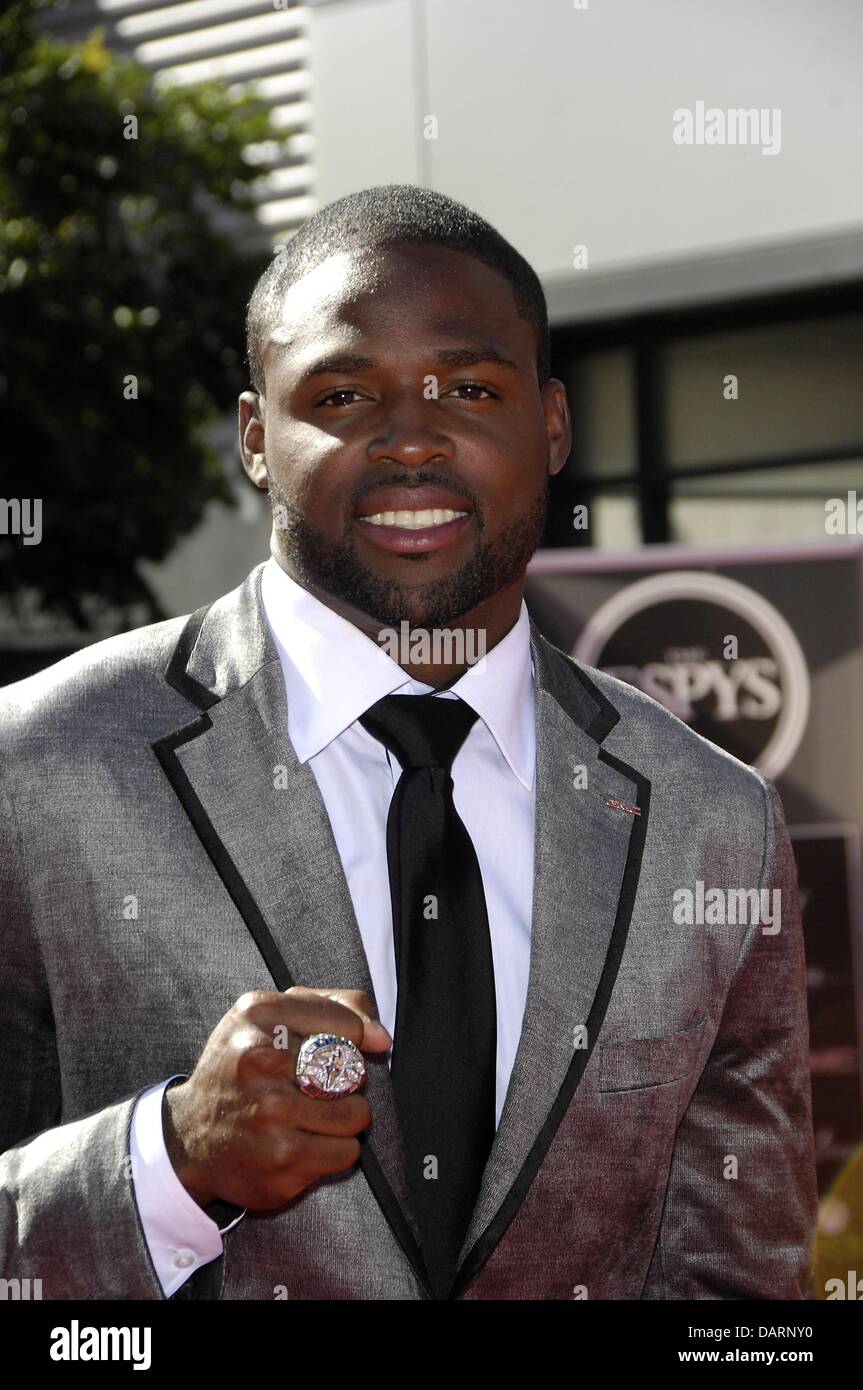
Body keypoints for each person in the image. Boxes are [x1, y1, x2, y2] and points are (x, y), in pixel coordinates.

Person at [0, 185, 817, 1300]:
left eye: (471, 388)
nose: (412, 439)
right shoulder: (38, 766)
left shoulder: (709, 819)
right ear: (255, 438)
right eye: (341, 394)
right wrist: (169, 1161)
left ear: (552, 425)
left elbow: (735, 1288)